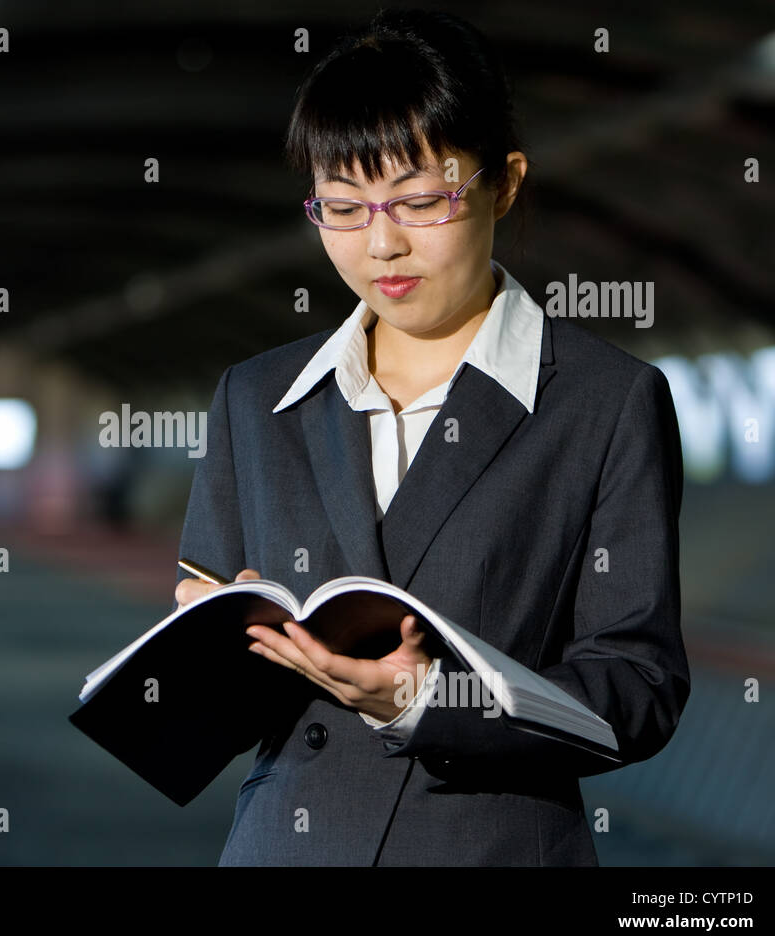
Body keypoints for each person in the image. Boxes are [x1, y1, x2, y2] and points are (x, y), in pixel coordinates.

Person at [172, 8, 688, 865]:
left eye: (420, 200)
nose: (382, 244)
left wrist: (429, 702)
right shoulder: (255, 398)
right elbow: (209, 713)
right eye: (341, 207)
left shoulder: (607, 400)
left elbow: (637, 693)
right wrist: (213, 653)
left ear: (505, 182)